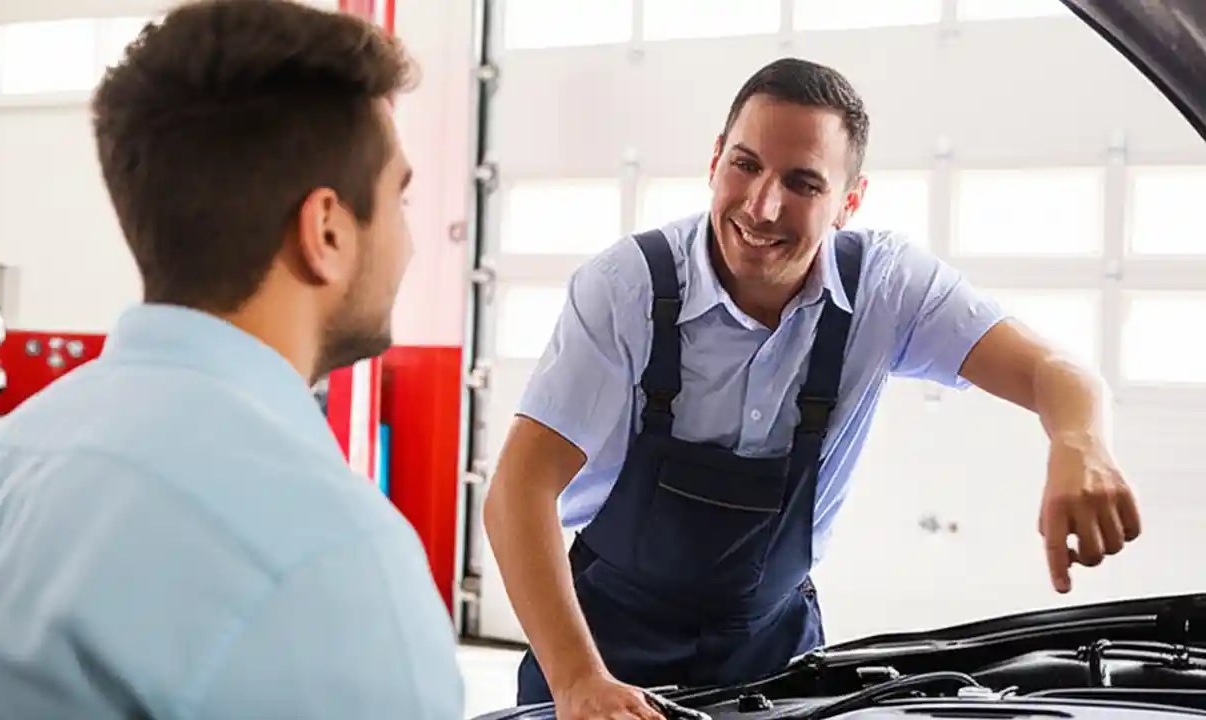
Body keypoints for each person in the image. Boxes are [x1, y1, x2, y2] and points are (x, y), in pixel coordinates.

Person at [483, 56, 1143, 719]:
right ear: (715, 160)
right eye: (745, 165)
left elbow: (1053, 369)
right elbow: (518, 490)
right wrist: (575, 682)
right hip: (600, 642)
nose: (763, 206)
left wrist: (1080, 440)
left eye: (802, 182)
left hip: (769, 655)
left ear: (848, 202)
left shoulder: (886, 288)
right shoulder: (625, 288)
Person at [0, 1, 463, 718]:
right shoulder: (329, 555)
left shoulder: (13, 459)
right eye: (401, 200)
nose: (411, 242)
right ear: (326, 230)